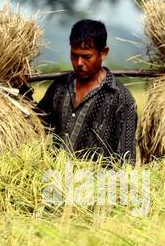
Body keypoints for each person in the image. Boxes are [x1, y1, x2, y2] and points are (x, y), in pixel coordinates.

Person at [30, 19, 138, 163]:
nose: (79, 63)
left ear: (103, 53)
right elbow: (36, 123)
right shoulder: (60, 87)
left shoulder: (121, 99)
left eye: (86, 57)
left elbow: (126, 160)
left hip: (95, 183)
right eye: (74, 55)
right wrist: (21, 88)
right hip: (55, 180)